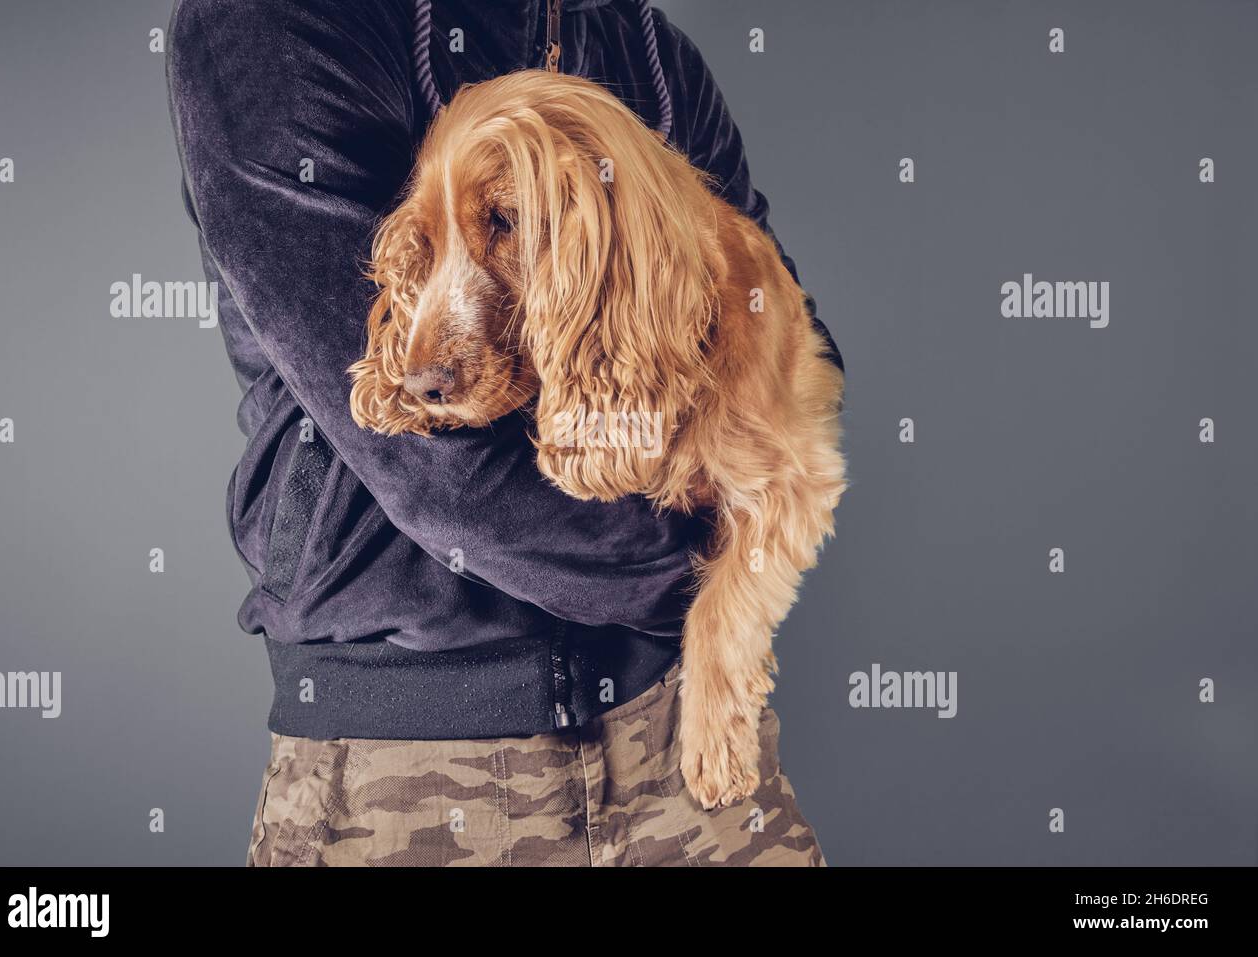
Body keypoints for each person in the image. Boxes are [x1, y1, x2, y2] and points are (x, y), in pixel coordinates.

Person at [167, 0, 840, 867]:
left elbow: (794, 350)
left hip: (686, 742)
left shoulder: (644, 46)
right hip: (411, 769)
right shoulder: (274, 21)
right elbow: (439, 478)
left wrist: (749, 536)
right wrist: (732, 540)